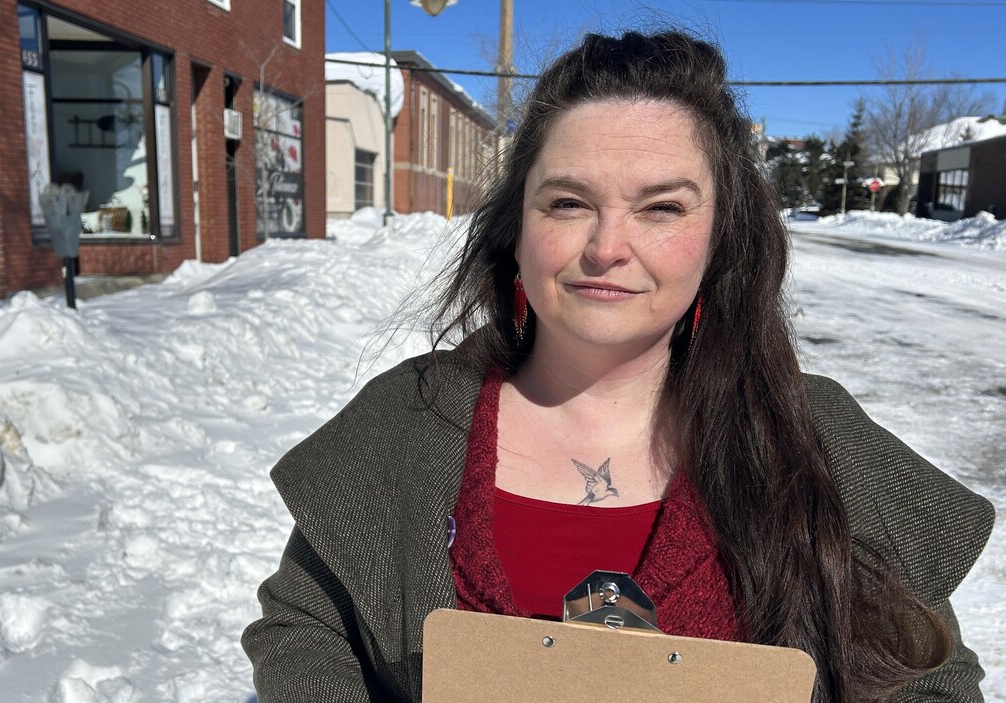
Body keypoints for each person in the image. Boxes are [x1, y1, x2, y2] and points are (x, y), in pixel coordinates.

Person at [242, 30, 994, 703]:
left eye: (662, 208)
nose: (607, 246)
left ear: (721, 238)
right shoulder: (410, 420)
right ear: (517, 225)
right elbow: (305, 623)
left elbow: (929, 677)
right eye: (568, 202)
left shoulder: (811, 438)